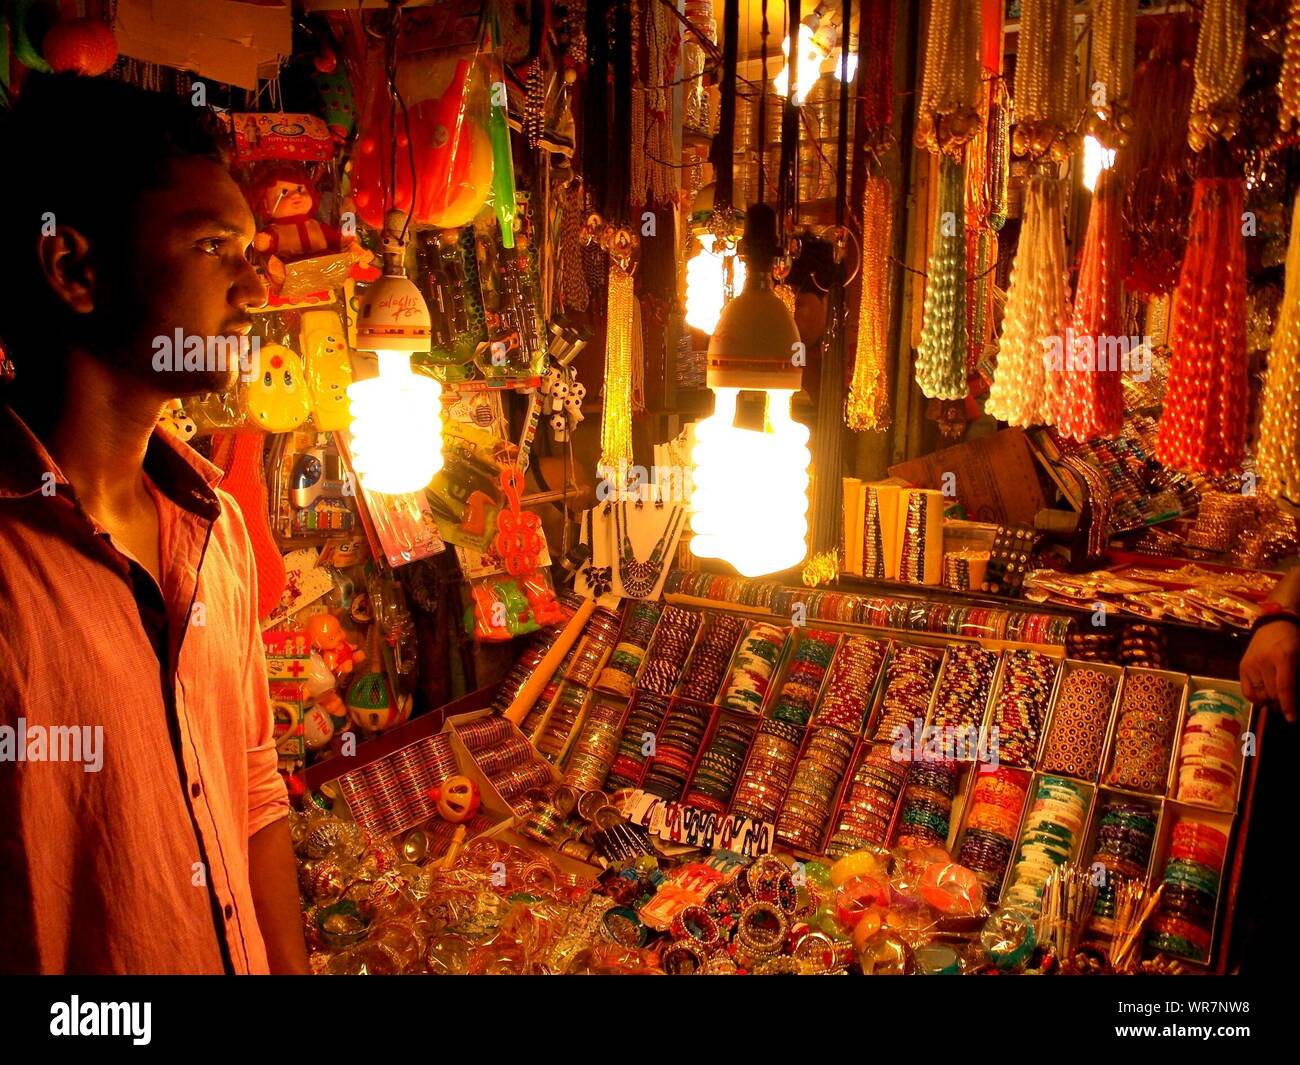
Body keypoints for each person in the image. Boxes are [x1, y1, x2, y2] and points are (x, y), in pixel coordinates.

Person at [0, 74, 308, 973]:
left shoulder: (215, 529)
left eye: (249, 247)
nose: (256, 287)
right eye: (214, 246)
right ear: (76, 270)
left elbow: (253, 789)